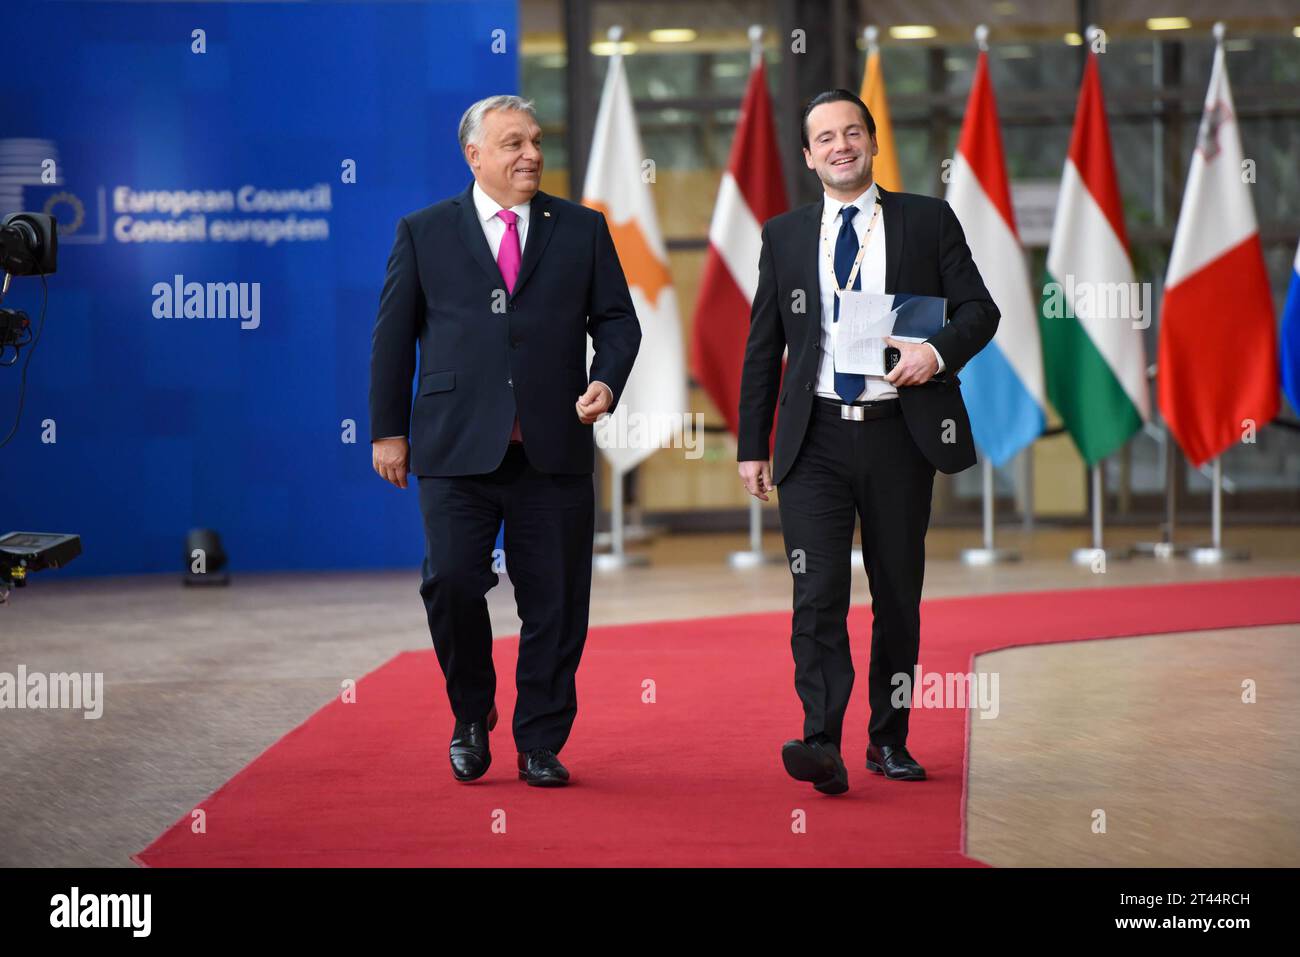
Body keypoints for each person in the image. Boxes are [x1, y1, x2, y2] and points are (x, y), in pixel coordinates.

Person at [369, 94, 641, 787]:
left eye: (536, 141)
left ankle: (540, 740)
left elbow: (618, 323)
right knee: (453, 581)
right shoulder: (425, 231)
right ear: (475, 155)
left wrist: (606, 383)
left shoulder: (581, 229)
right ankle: (471, 713)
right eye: (513, 143)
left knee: (554, 599)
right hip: (455, 446)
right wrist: (387, 431)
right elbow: (393, 340)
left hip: (553, 448)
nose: (531, 155)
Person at [736, 89, 999, 795]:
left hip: (898, 435)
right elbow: (763, 347)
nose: (840, 145)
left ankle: (889, 738)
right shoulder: (784, 236)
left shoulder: (926, 220)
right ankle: (821, 739)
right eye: (825, 137)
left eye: (852, 132)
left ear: (873, 141)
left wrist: (935, 354)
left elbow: (981, 310)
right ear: (808, 155)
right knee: (816, 591)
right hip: (814, 437)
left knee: (896, 594)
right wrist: (749, 445)